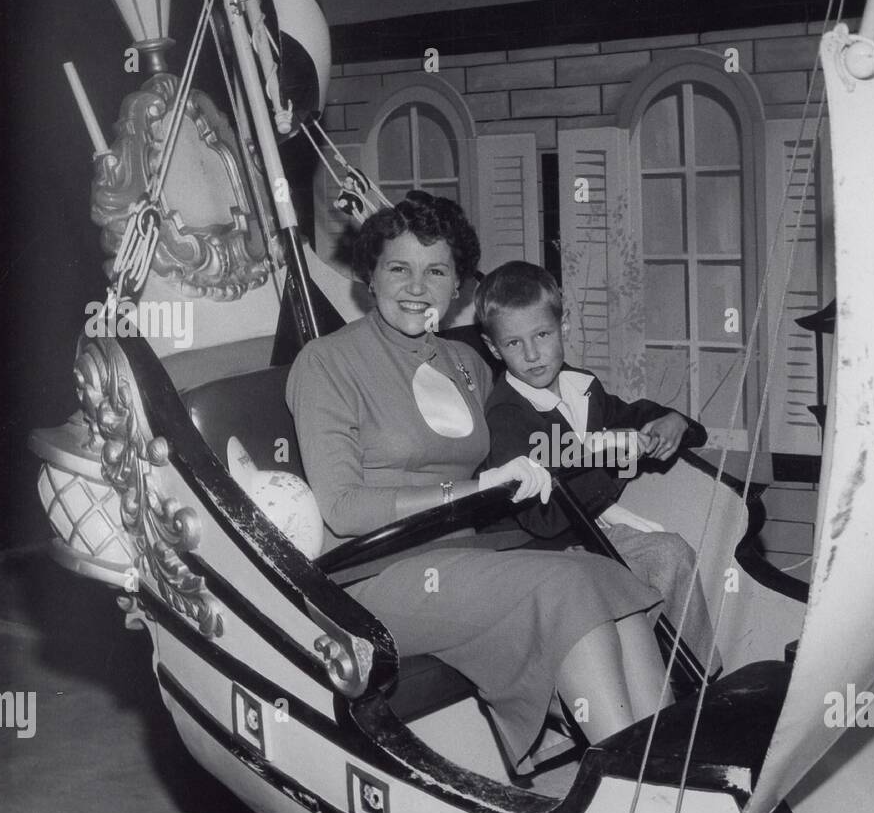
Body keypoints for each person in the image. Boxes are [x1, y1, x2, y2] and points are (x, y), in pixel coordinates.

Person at [286, 191, 672, 771]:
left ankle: (668, 775)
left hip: (465, 555)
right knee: (562, 588)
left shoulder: (465, 364)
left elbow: (540, 427)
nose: (417, 287)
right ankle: (625, 790)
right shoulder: (325, 363)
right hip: (372, 577)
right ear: (370, 276)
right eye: (399, 268)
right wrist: (470, 491)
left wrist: (630, 439)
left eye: (436, 271)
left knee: (601, 572)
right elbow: (342, 507)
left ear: (459, 286)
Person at [476, 260, 719, 675]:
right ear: (494, 348)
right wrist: (610, 454)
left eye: (542, 335)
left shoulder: (580, 385)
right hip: (544, 550)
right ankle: (634, 685)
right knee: (650, 567)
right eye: (514, 344)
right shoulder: (506, 415)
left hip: (594, 534)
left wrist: (674, 421)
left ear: (564, 326)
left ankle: (703, 682)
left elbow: (633, 413)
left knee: (674, 555)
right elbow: (543, 517)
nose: (532, 354)